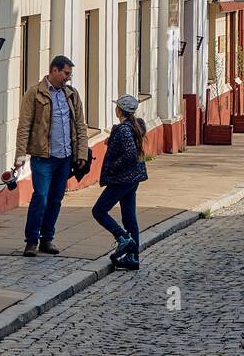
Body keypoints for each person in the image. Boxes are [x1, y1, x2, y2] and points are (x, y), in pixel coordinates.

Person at [15, 55, 89, 257]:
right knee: (40, 198)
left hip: (65, 157)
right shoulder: (35, 93)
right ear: (54, 70)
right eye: (66, 73)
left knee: (56, 199)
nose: (68, 78)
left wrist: (81, 153)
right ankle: (31, 240)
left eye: (69, 74)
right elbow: (24, 125)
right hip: (43, 157)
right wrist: (20, 155)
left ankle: (47, 239)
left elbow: (80, 126)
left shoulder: (71, 95)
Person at [91, 95, 148, 271]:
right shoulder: (132, 126)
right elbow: (128, 147)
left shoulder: (124, 129)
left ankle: (123, 238)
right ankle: (133, 257)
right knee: (129, 217)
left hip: (122, 179)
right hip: (132, 178)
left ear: (119, 110)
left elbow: (130, 154)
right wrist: (112, 141)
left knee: (99, 211)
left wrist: (113, 167)